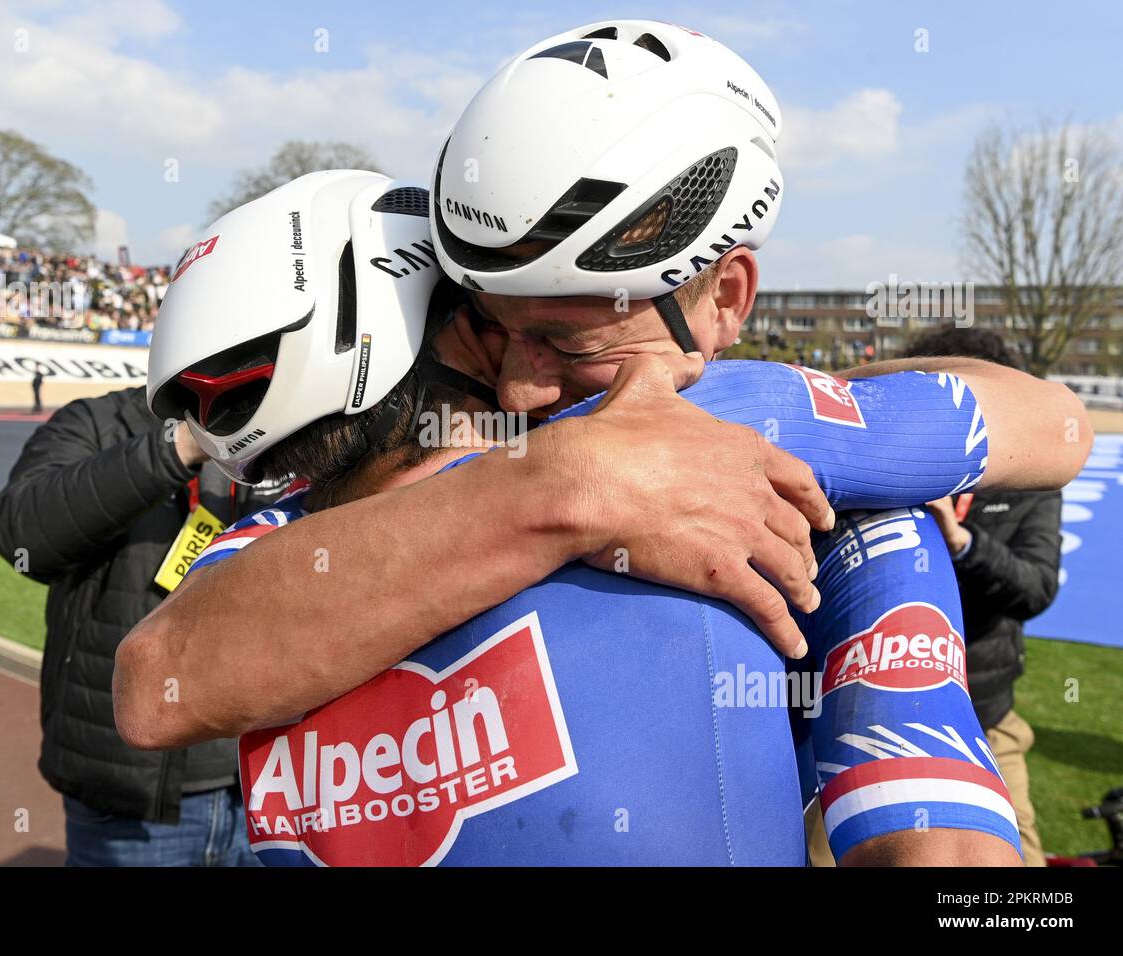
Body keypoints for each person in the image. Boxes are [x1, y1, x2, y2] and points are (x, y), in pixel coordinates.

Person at [117, 23, 1091, 862]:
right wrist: (563, 480)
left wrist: (813, 402)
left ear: (727, 300)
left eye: (568, 342)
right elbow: (156, 686)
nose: (517, 383)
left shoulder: (779, 437)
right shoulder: (310, 524)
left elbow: (1052, 424)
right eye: (492, 329)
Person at [0, 385, 286, 866]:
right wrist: (182, 445)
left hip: (270, 786)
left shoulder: (293, 424)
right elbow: (22, 536)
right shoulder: (99, 421)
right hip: (133, 798)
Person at [910, 327, 1060, 866]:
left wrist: (963, 543)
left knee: (1017, 861)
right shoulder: (890, 469)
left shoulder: (1032, 480)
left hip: (987, 714)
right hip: (880, 709)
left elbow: (1036, 588)